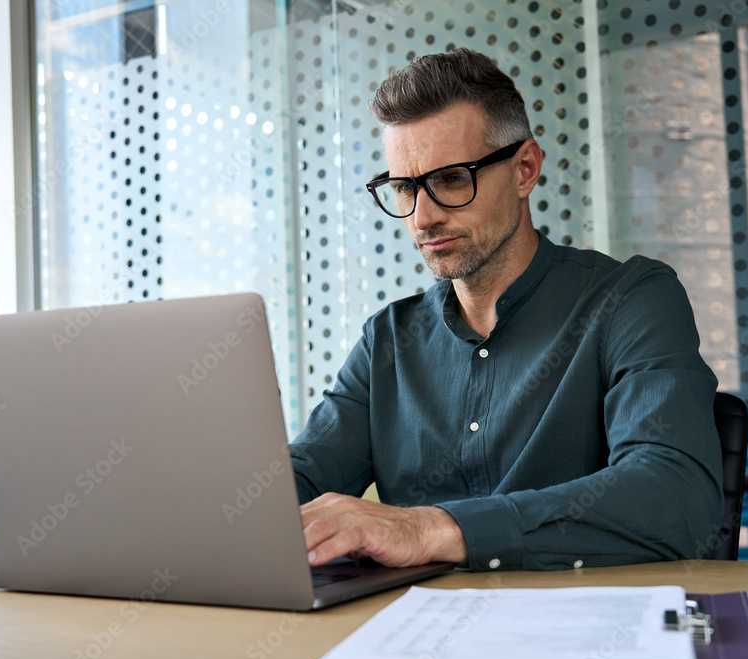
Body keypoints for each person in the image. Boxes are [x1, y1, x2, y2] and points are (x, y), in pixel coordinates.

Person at [291, 48, 724, 572]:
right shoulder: (389, 339)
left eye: (451, 179)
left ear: (524, 170)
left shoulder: (630, 299)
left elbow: (674, 496)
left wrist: (434, 528)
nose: (422, 217)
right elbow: (305, 478)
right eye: (405, 187)